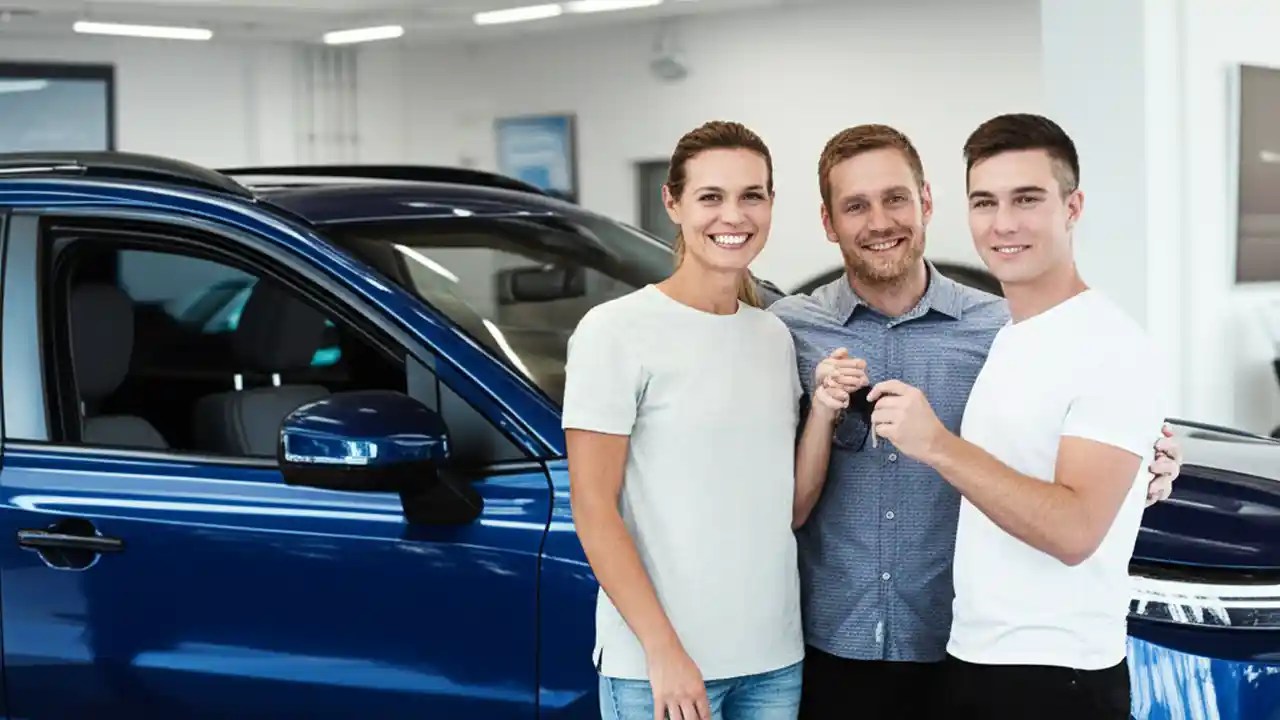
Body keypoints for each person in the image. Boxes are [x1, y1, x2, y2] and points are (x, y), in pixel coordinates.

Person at [768, 122, 1183, 719]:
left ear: (927, 202)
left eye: (895, 199)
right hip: (833, 650)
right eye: (855, 206)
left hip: (959, 656)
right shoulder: (788, 331)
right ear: (829, 222)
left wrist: (1151, 459)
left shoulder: (999, 328)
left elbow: (1082, 450)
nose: (879, 222)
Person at [561, 120, 862, 720]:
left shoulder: (772, 336)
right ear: (672, 203)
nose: (734, 216)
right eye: (711, 197)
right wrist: (663, 650)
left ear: (772, 204)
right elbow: (593, 510)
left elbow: (792, 509)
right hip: (663, 670)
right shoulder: (615, 331)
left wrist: (824, 411)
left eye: (752, 195)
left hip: (772, 662)